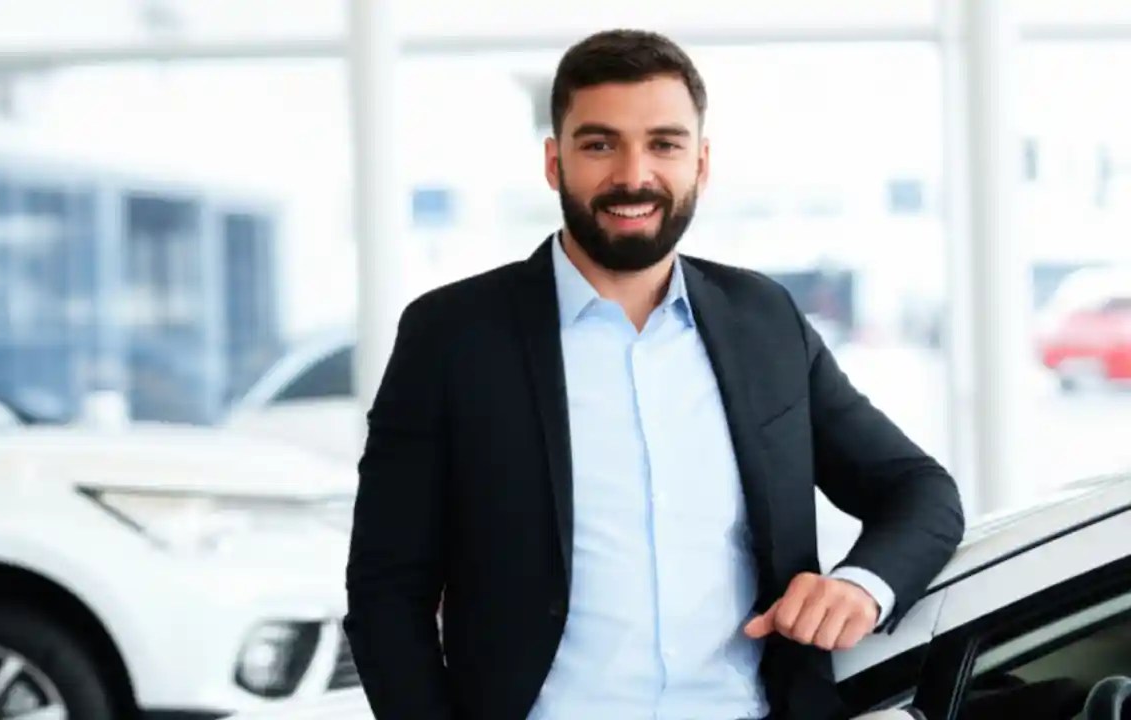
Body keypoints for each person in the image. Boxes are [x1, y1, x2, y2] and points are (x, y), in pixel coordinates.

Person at [344, 28, 965, 720]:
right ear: (555, 163)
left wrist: (860, 585)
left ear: (701, 163)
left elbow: (920, 491)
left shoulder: (763, 320)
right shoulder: (452, 336)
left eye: (664, 144)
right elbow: (384, 591)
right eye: (600, 144)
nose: (633, 175)